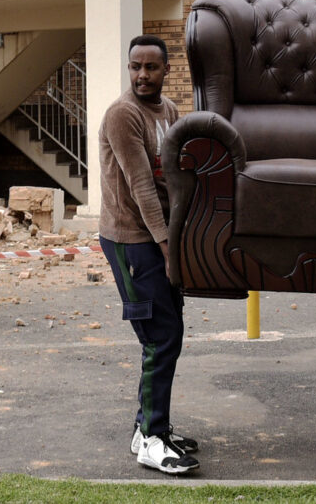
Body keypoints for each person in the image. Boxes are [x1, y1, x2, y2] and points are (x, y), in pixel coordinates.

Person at [98, 34, 200, 476]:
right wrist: (167, 248)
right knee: (160, 336)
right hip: (131, 238)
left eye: (151, 67)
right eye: (135, 67)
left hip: (157, 236)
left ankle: (148, 428)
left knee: (167, 332)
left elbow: (173, 180)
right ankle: (152, 440)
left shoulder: (170, 112)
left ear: (166, 70)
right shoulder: (123, 115)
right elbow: (142, 185)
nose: (142, 75)